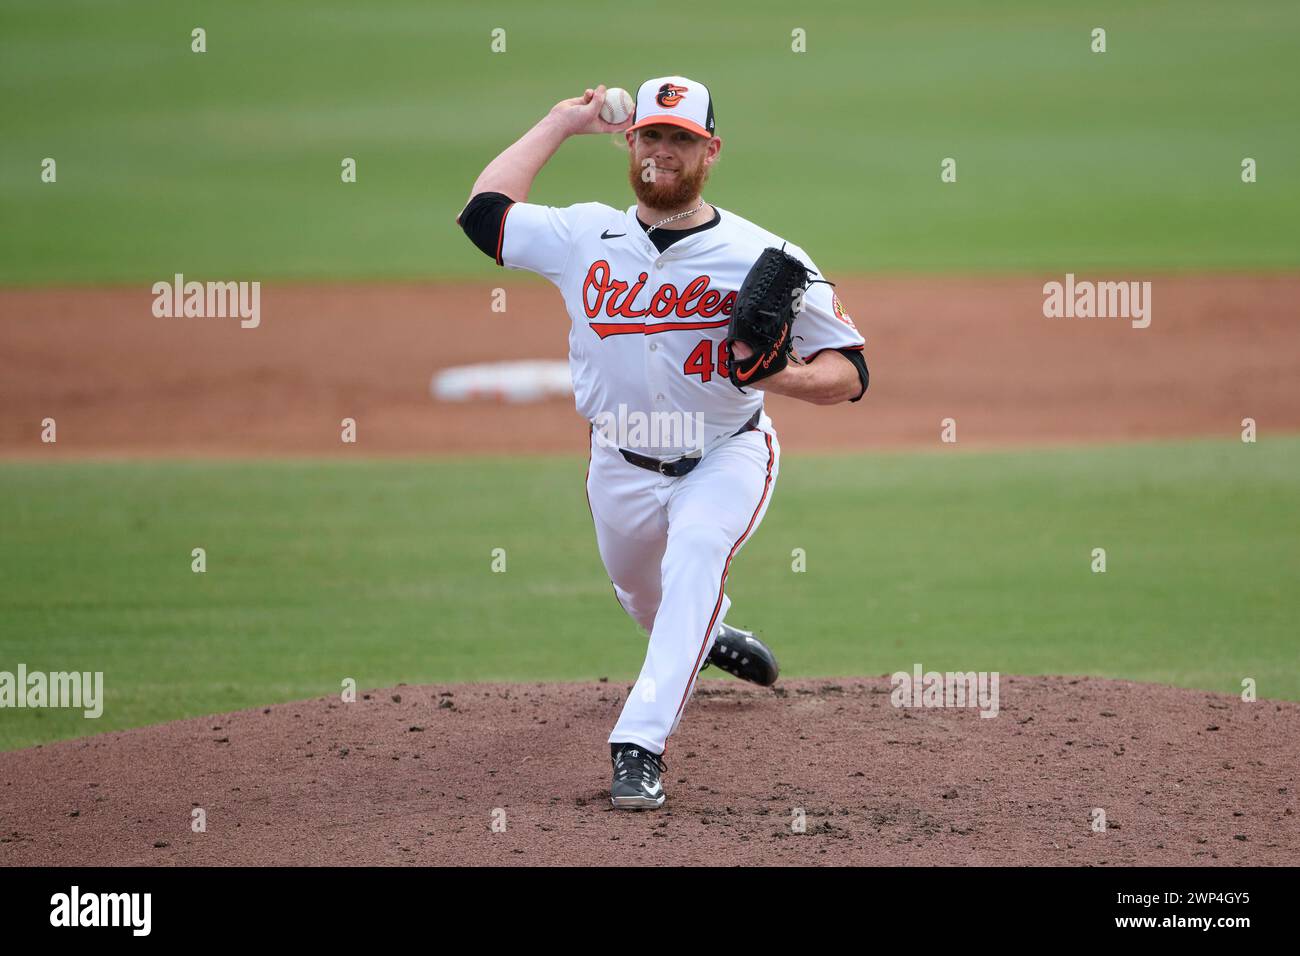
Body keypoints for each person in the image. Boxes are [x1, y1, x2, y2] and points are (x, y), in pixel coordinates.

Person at [458, 76, 869, 809]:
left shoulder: (762, 253)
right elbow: (483, 215)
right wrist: (559, 121)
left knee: (696, 557)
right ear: (630, 141)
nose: (664, 151)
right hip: (617, 463)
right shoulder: (583, 234)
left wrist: (783, 376)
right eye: (652, 135)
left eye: (682, 139)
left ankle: (638, 745)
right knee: (646, 597)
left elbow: (851, 372)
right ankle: (703, 637)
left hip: (724, 453)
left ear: (711, 151)